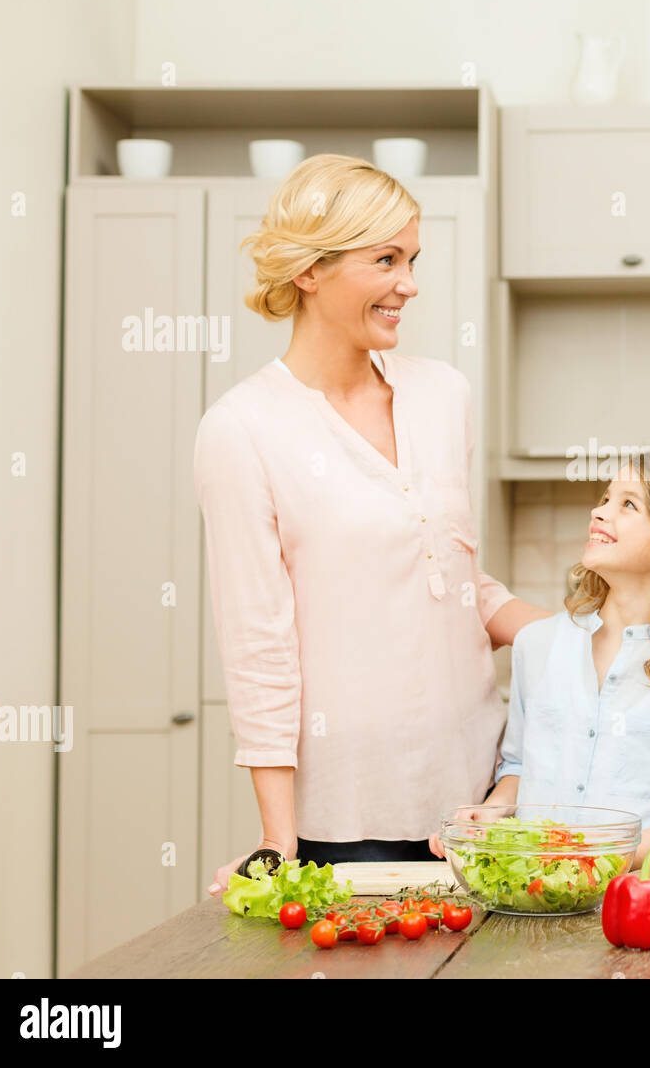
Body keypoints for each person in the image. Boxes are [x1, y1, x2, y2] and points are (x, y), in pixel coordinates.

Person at [195, 154, 549, 893]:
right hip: (346, 819)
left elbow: (454, 578)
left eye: (412, 259)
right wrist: (278, 838)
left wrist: (570, 637)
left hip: (482, 805)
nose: (409, 284)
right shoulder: (243, 429)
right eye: (386, 259)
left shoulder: (442, 394)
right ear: (310, 271)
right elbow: (259, 642)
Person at [429, 449, 650, 865]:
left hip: (636, 908)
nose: (599, 513)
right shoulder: (537, 645)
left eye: (628, 504)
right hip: (533, 895)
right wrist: (491, 812)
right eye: (605, 499)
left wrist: (589, 855)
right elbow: (519, 767)